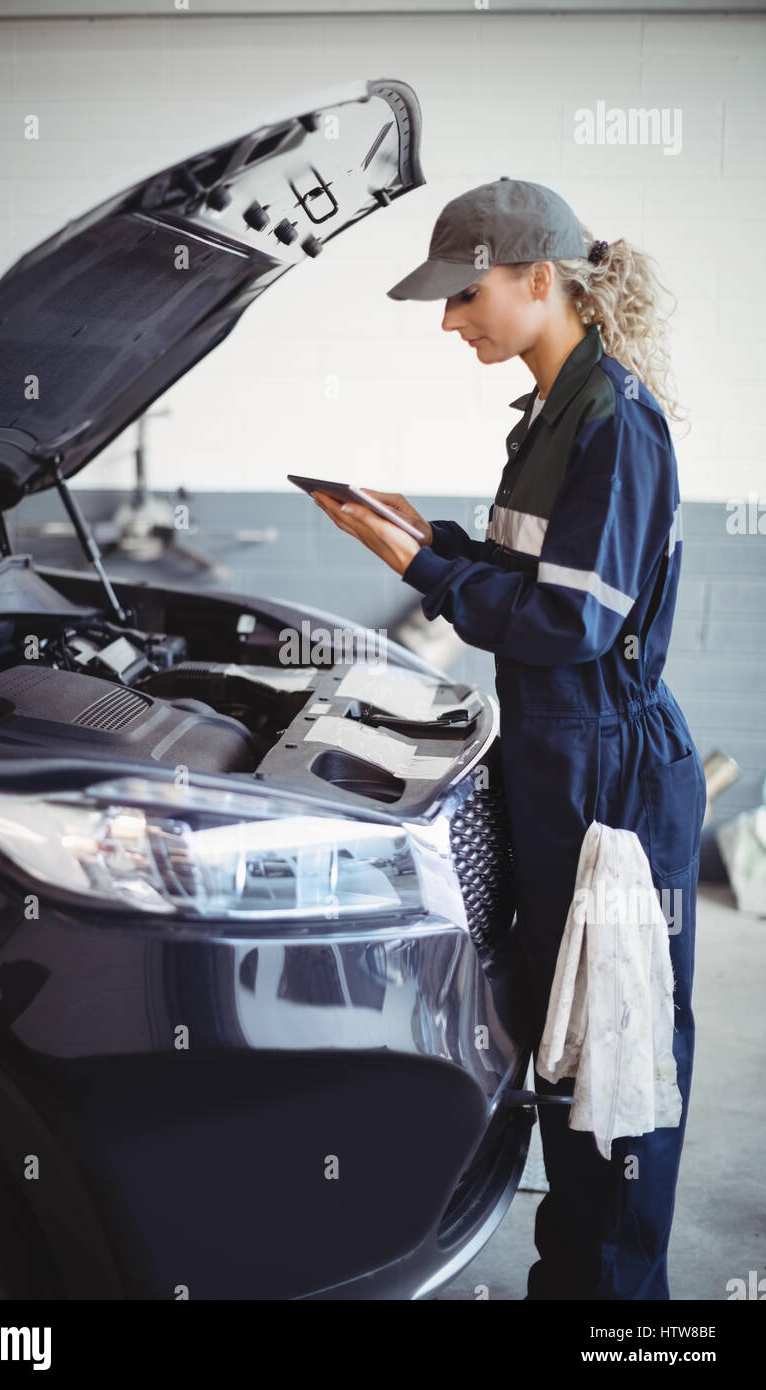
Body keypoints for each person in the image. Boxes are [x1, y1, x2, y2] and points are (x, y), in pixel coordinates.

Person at [312, 178, 708, 1301]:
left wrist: (422, 571)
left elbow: (572, 622)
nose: (450, 322)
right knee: (563, 1042)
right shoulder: (547, 414)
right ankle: (567, 1284)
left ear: (540, 279)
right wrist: (427, 535)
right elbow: (534, 570)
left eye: (464, 294)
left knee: (615, 1062)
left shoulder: (615, 421)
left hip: (609, 774)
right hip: (554, 758)